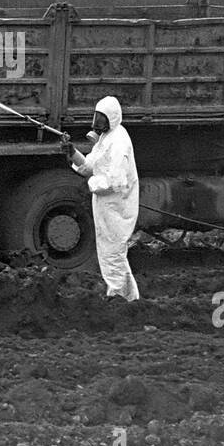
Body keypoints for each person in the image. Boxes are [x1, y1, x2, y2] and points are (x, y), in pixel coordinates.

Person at [62, 96, 141, 302]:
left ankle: (117, 298)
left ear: (112, 118)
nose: (97, 122)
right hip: (107, 207)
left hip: (117, 208)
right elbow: (90, 166)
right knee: (110, 253)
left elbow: (114, 181)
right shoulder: (106, 138)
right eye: (96, 116)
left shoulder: (119, 143)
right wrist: (73, 153)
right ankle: (129, 299)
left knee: (113, 253)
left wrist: (91, 185)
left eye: (102, 117)